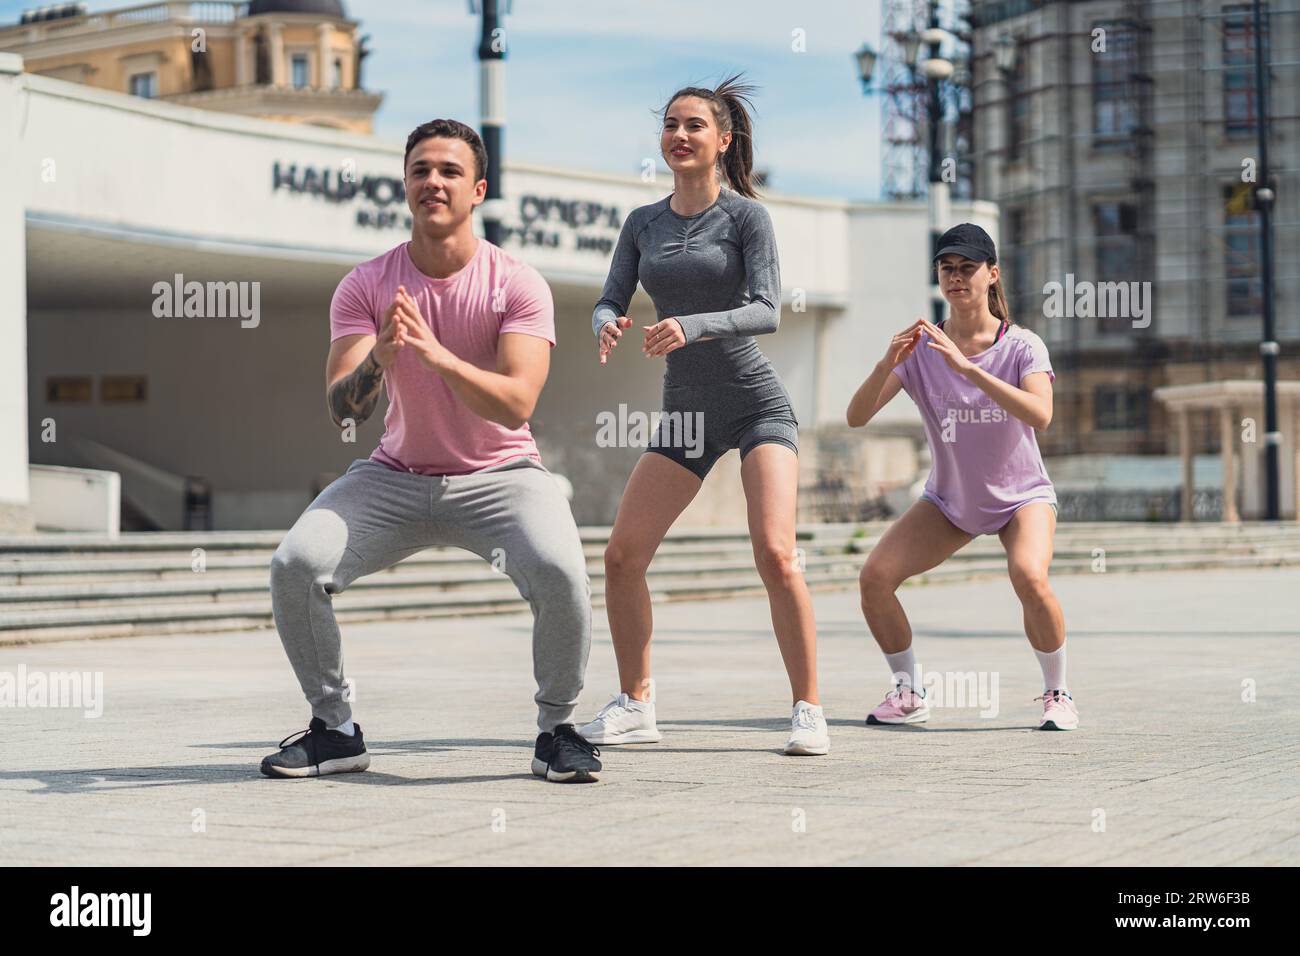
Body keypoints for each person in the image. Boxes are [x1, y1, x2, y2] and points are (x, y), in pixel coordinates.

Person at [260, 119, 603, 783]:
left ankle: (557, 729)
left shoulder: (518, 283)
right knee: (295, 564)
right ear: (406, 185)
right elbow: (343, 408)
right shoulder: (366, 284)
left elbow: (516, 403)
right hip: (396, 475)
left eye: (448, 171)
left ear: (477, 190)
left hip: (502, 476)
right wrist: (379, 361)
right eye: (420, 169)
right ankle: (334, 730)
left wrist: (438, 356)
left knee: (563, 574)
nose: (433, 182)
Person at [579, 75, 827, 756]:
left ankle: (808, 709)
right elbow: (610, 296)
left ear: (722, 139)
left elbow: (767, 309)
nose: (679, 135)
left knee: (776, 554)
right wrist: (607, 321)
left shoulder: (747, 217)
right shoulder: (644, 223)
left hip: (754, 404)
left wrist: (692, 325)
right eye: (670, 125)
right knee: (623, 556)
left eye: (694, 125)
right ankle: (637, 704)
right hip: (685, 412)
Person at [845, 222, 1077, 731]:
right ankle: (908, 694)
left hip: (1022, 500)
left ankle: (1057, 694)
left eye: (967, 268)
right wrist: (888, 361)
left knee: (1029, 576)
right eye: (947, 268)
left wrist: (970, 369)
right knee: (875, 579)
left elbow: (1041, 415)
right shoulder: (922, 350)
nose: (956, 277)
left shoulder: (1022, 346)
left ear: (991, 274)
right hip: (952, 502)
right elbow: (856, 416)